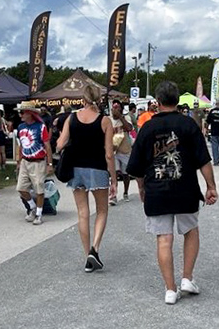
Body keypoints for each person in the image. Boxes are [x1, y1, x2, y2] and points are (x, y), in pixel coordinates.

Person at [126, 80, 218, 305]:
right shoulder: (188, 125)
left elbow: (136, 167)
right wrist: (211, 186)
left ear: (157, 102)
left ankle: (170, 289)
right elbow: (203, 160)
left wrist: (141, 188)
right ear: (177, 101)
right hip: (185, 189)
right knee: (191, 231)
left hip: (157, 191)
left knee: (164, 239)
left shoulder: (147, 128)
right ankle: (187, 278)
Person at [56, 83, 117, 271]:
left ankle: (87, 258)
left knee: (83, 213)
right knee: (102, 211)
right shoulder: (105, 121)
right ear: (99, 99)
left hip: (76, 169)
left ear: (83, 99)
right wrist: (114, 179)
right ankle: (95, 249)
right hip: (97, 169)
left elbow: (59, 144)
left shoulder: (71, 118)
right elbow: (109, 154)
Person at [16, 102, 53, 226]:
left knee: (39, 189)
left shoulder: (41, 127)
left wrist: (49, 164)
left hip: (38, 162)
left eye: (22, 112)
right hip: (25, 161)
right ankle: (32, 207)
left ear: (30, 113)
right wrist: (18, 161)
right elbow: (21, 145)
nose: (20, 115)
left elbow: (47, 146)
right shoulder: (20, 127)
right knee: (21, 188)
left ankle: (38, 214)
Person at [110, 100, 133, 203]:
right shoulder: (108, 120)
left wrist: (120, 117)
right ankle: (113, 195)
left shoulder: (126, 118)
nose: (115, 109)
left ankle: (126, 192)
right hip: (113, 151)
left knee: (125, 174)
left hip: (125, 150)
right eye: (114, 107)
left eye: (117, 107)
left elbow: (129, 128)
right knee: (114, 174)